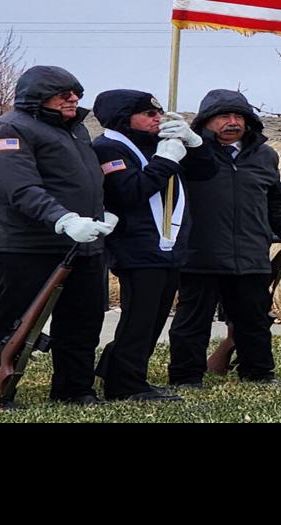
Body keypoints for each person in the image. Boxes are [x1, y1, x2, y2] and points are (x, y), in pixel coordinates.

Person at [0, 65, 115, 407]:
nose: (73, 98)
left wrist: (101, 213)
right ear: (37, 97)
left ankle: (74, 389)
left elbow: (80, 181)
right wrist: (64, 220)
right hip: (26, 245)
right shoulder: (9, 130)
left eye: (76, 92)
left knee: (82, 322)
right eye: (63, 94)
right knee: (12, 322)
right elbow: (21, 189)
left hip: (82, 244)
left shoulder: (76, 131)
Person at [167, 88, 281, 389]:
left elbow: (277, 200)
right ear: (205, 121)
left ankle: (258, 373)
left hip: (251, 254)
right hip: (199, 252)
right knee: (192, 322)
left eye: (239, 116)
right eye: (224, 116)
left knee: (254, 320)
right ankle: (185, 377)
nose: (233, 122)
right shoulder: (186, 152)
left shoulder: (265, 155)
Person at [90, 89, 217, 402]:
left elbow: (206, 172)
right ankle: (126, 384)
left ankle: (120, 369)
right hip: (136, 247)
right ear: (124, 118)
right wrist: (165, 160)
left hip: (169, 246)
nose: (157, 119)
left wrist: (193, 142)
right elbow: (132, 191)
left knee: (156, 316)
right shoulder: (108, 148)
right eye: (149, 114)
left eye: (158, 113)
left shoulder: (157, 144)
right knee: (140, 318)